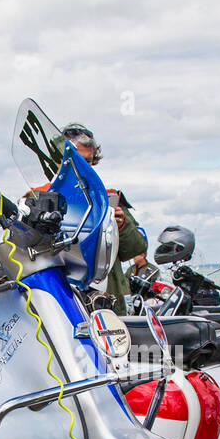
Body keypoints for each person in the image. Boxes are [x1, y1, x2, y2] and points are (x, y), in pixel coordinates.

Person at [61, 122, 146, 316]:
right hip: (66, 299)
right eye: (77, 160)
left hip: (110, 300)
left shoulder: (109, 199)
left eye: (89, 161)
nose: (85, 167)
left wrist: (122, 226)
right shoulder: (41, 198)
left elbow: (136, 249)